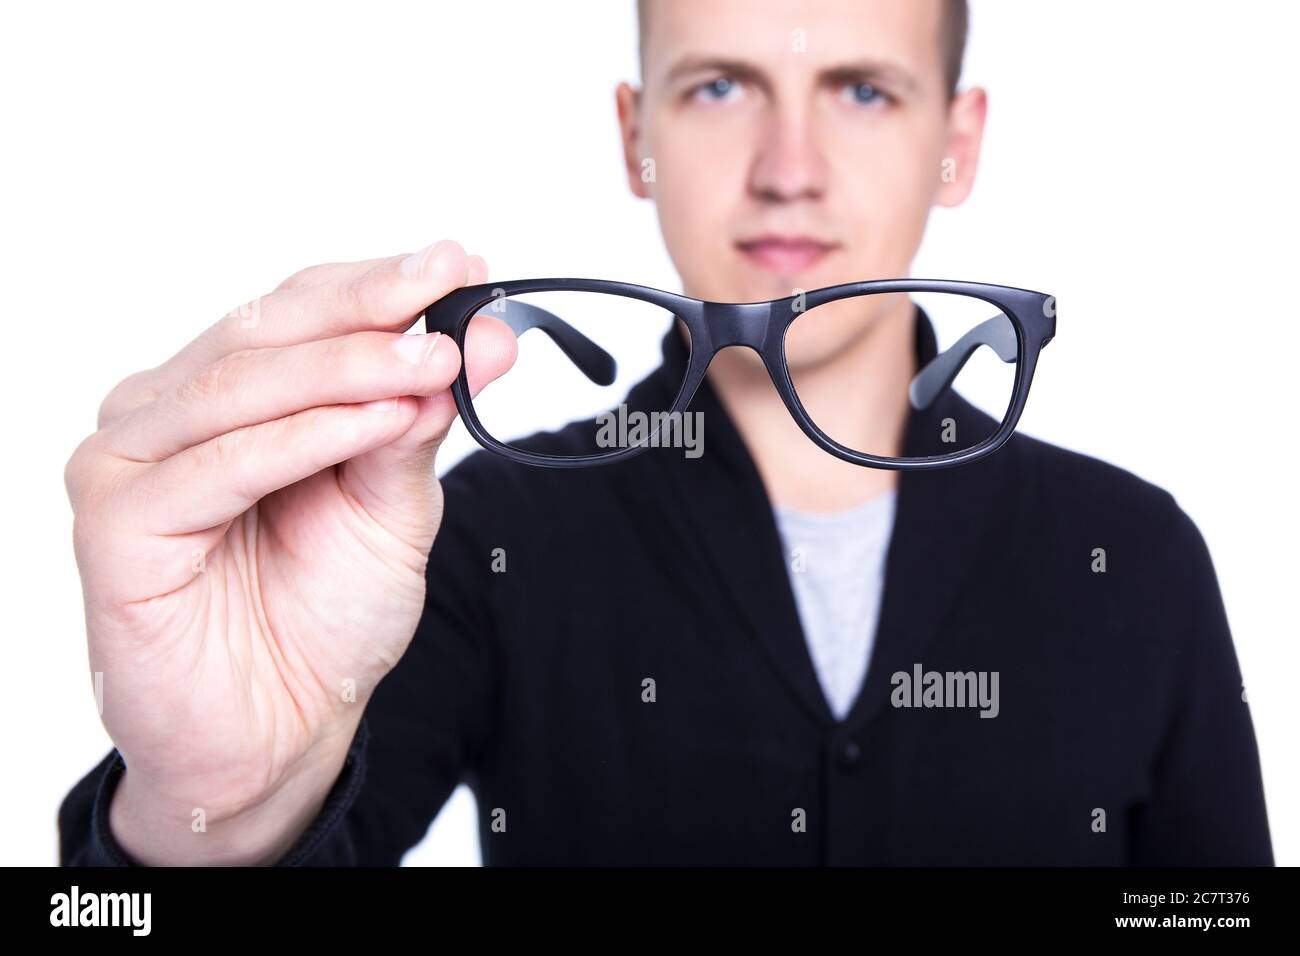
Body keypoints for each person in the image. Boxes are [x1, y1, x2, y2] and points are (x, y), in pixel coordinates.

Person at [59, 0, 1271, 865]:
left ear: (956, 139)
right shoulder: (476, 539)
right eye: (720, 85)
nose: (787, 169)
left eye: (861, 88)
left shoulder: (1134, 554)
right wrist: (204, 818)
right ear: (635, 133)